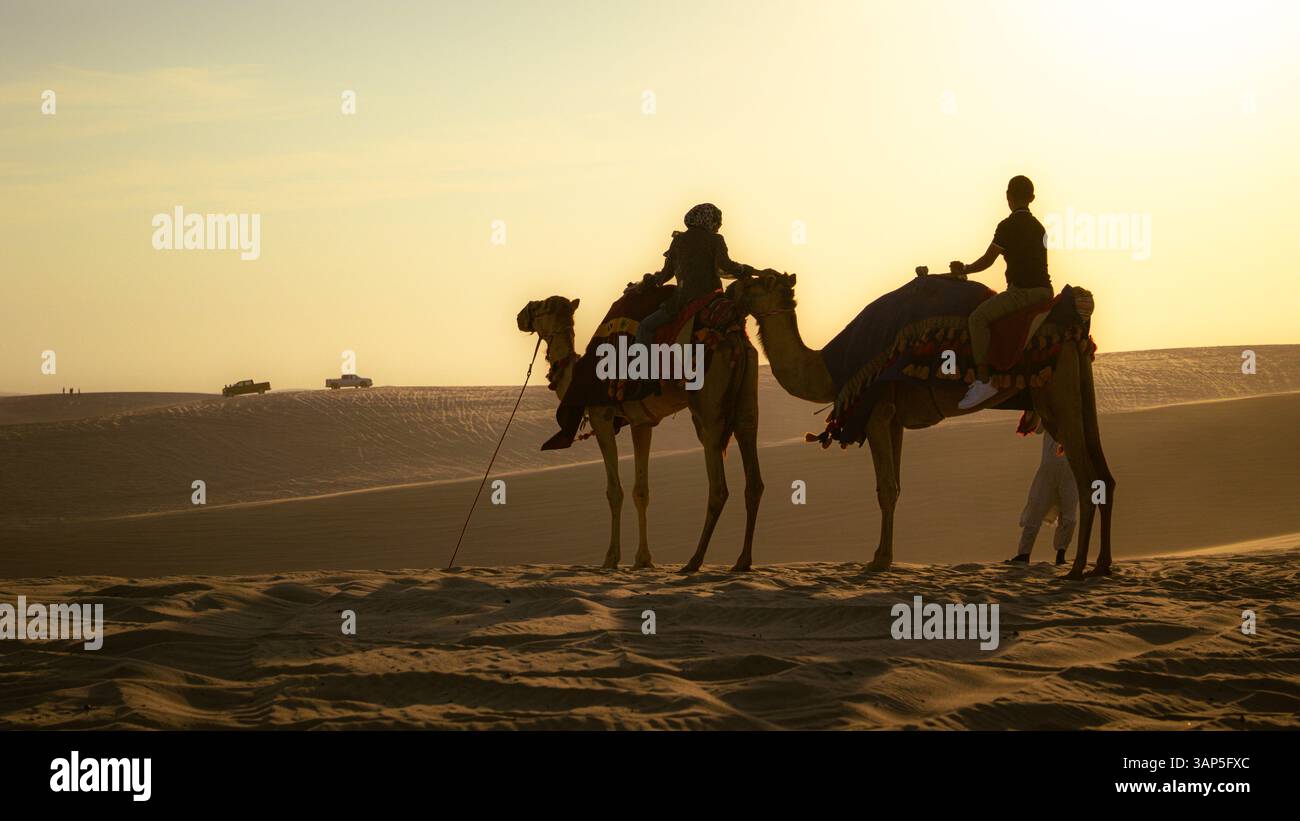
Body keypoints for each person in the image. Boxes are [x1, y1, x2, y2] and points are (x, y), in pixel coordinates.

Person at [952, 175, 1054, 409]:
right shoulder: (1039, 227)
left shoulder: (1007, 226)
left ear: (1008, 197)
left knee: (977, 319)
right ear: (1032, 198)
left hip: (1022, 292)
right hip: (1045, 291)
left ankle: (984, 380)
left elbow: (988, 260)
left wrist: (965, 268)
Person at [634, 203, 752, 347]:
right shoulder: (715, 239)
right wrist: (750, 271)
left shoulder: (678, 240)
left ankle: (642, 367)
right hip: (712, 298)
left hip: (681, 302)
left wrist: (648, 282)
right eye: (717, 221)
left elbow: (665, 275)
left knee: (644, 327)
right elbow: (726, 266)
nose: (718, 226)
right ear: (709, 220)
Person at [1006, 427, 1078, 565]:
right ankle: (1024, 554)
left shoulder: (1077, 414)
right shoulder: (1048, 411)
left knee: (1069, 516)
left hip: (1071, 471)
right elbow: (1037, 428)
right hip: (1047, 471)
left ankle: (1061, 553)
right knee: (1035, 510)